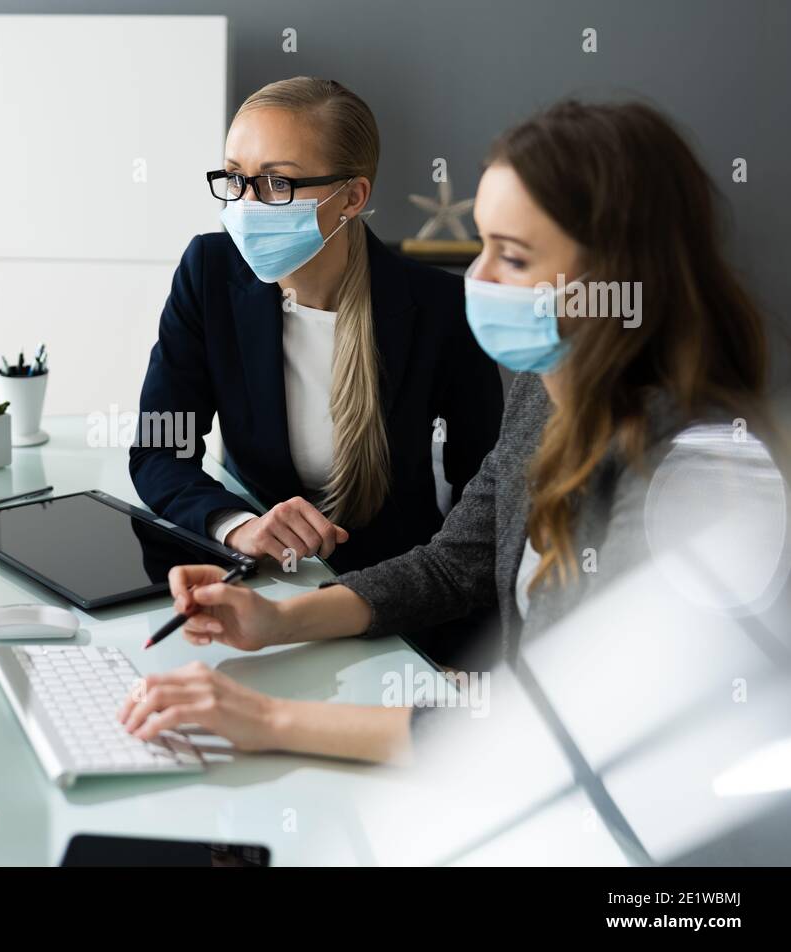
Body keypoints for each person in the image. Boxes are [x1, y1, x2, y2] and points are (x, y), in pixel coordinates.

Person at [119, 99, 773, 763]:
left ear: (615, 277)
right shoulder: (546, 394)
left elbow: (572, 728)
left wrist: (270, 720)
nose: (476, 277)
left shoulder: (695, 468)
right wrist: (278, 620)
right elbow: (459, 560)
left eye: (512, 257)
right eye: (482, 243)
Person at [130, 76, 503, 577]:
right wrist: (239, 525)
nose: (244, 205)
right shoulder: (208, 272)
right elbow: (160, 449)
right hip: (263, 577)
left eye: (277, 183)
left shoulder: (442, 307)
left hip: (397, 588)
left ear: (351, 198)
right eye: (235, 177)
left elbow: (483, 493)